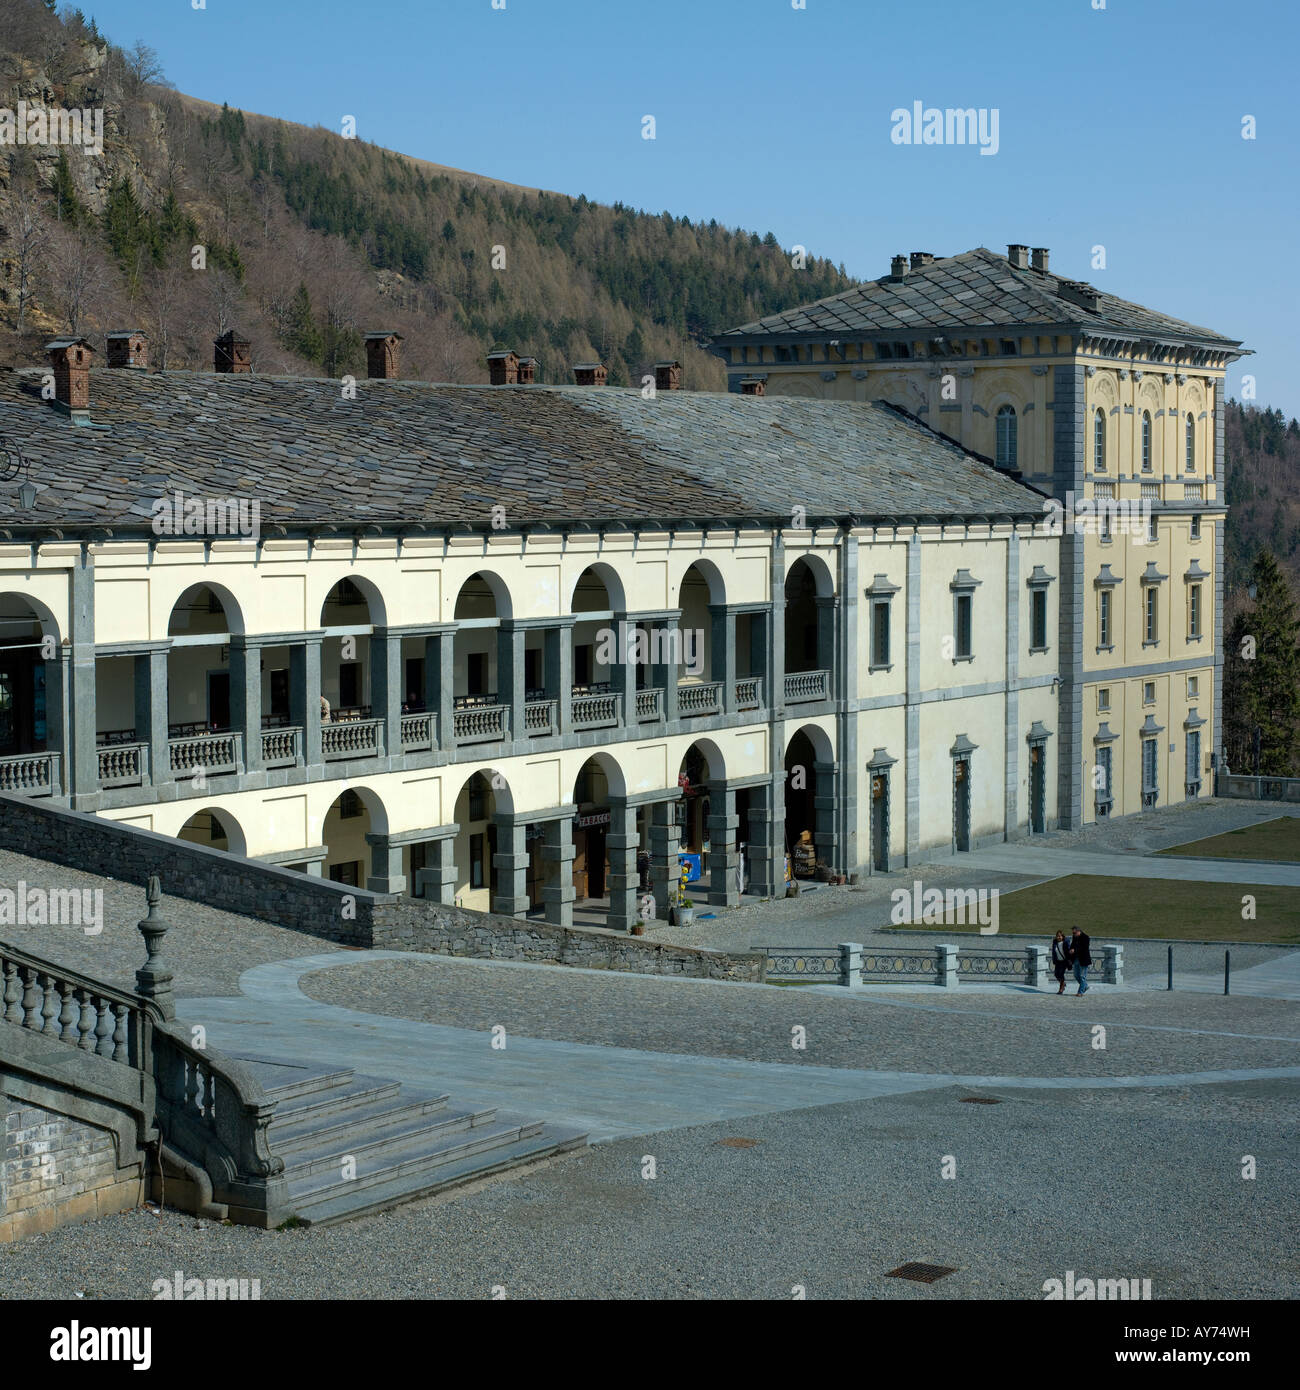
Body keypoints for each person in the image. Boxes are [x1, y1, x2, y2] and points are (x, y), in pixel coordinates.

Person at [1070, 926, 1092, 995]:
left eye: (1074, 932)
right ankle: (1085, 986)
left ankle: (1080, 992)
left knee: (1082, 976)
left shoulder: (1086, 937)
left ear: (1079, 931)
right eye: (1073, 933)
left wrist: (1075, 950)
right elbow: (1072, 945)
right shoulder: (1074, 937)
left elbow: (1084, 948)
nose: (1073, 934)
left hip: (1083, 959)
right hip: (1076, 959)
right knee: (1076, 975)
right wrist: (1070, 949)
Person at [1050, 930, 1070, 995]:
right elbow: (1053, 952)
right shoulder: (1055, 943)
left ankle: (1061, 989)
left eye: (1060, 936)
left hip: (1064, 961)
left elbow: (1069, 950)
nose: (1059, 937)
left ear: (1063, 936)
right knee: (1056, 974)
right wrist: (1054, 960)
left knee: (1061, 974)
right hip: (1058, 961)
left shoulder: (1065, 942)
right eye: (1057, 936)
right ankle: (1063, 984)